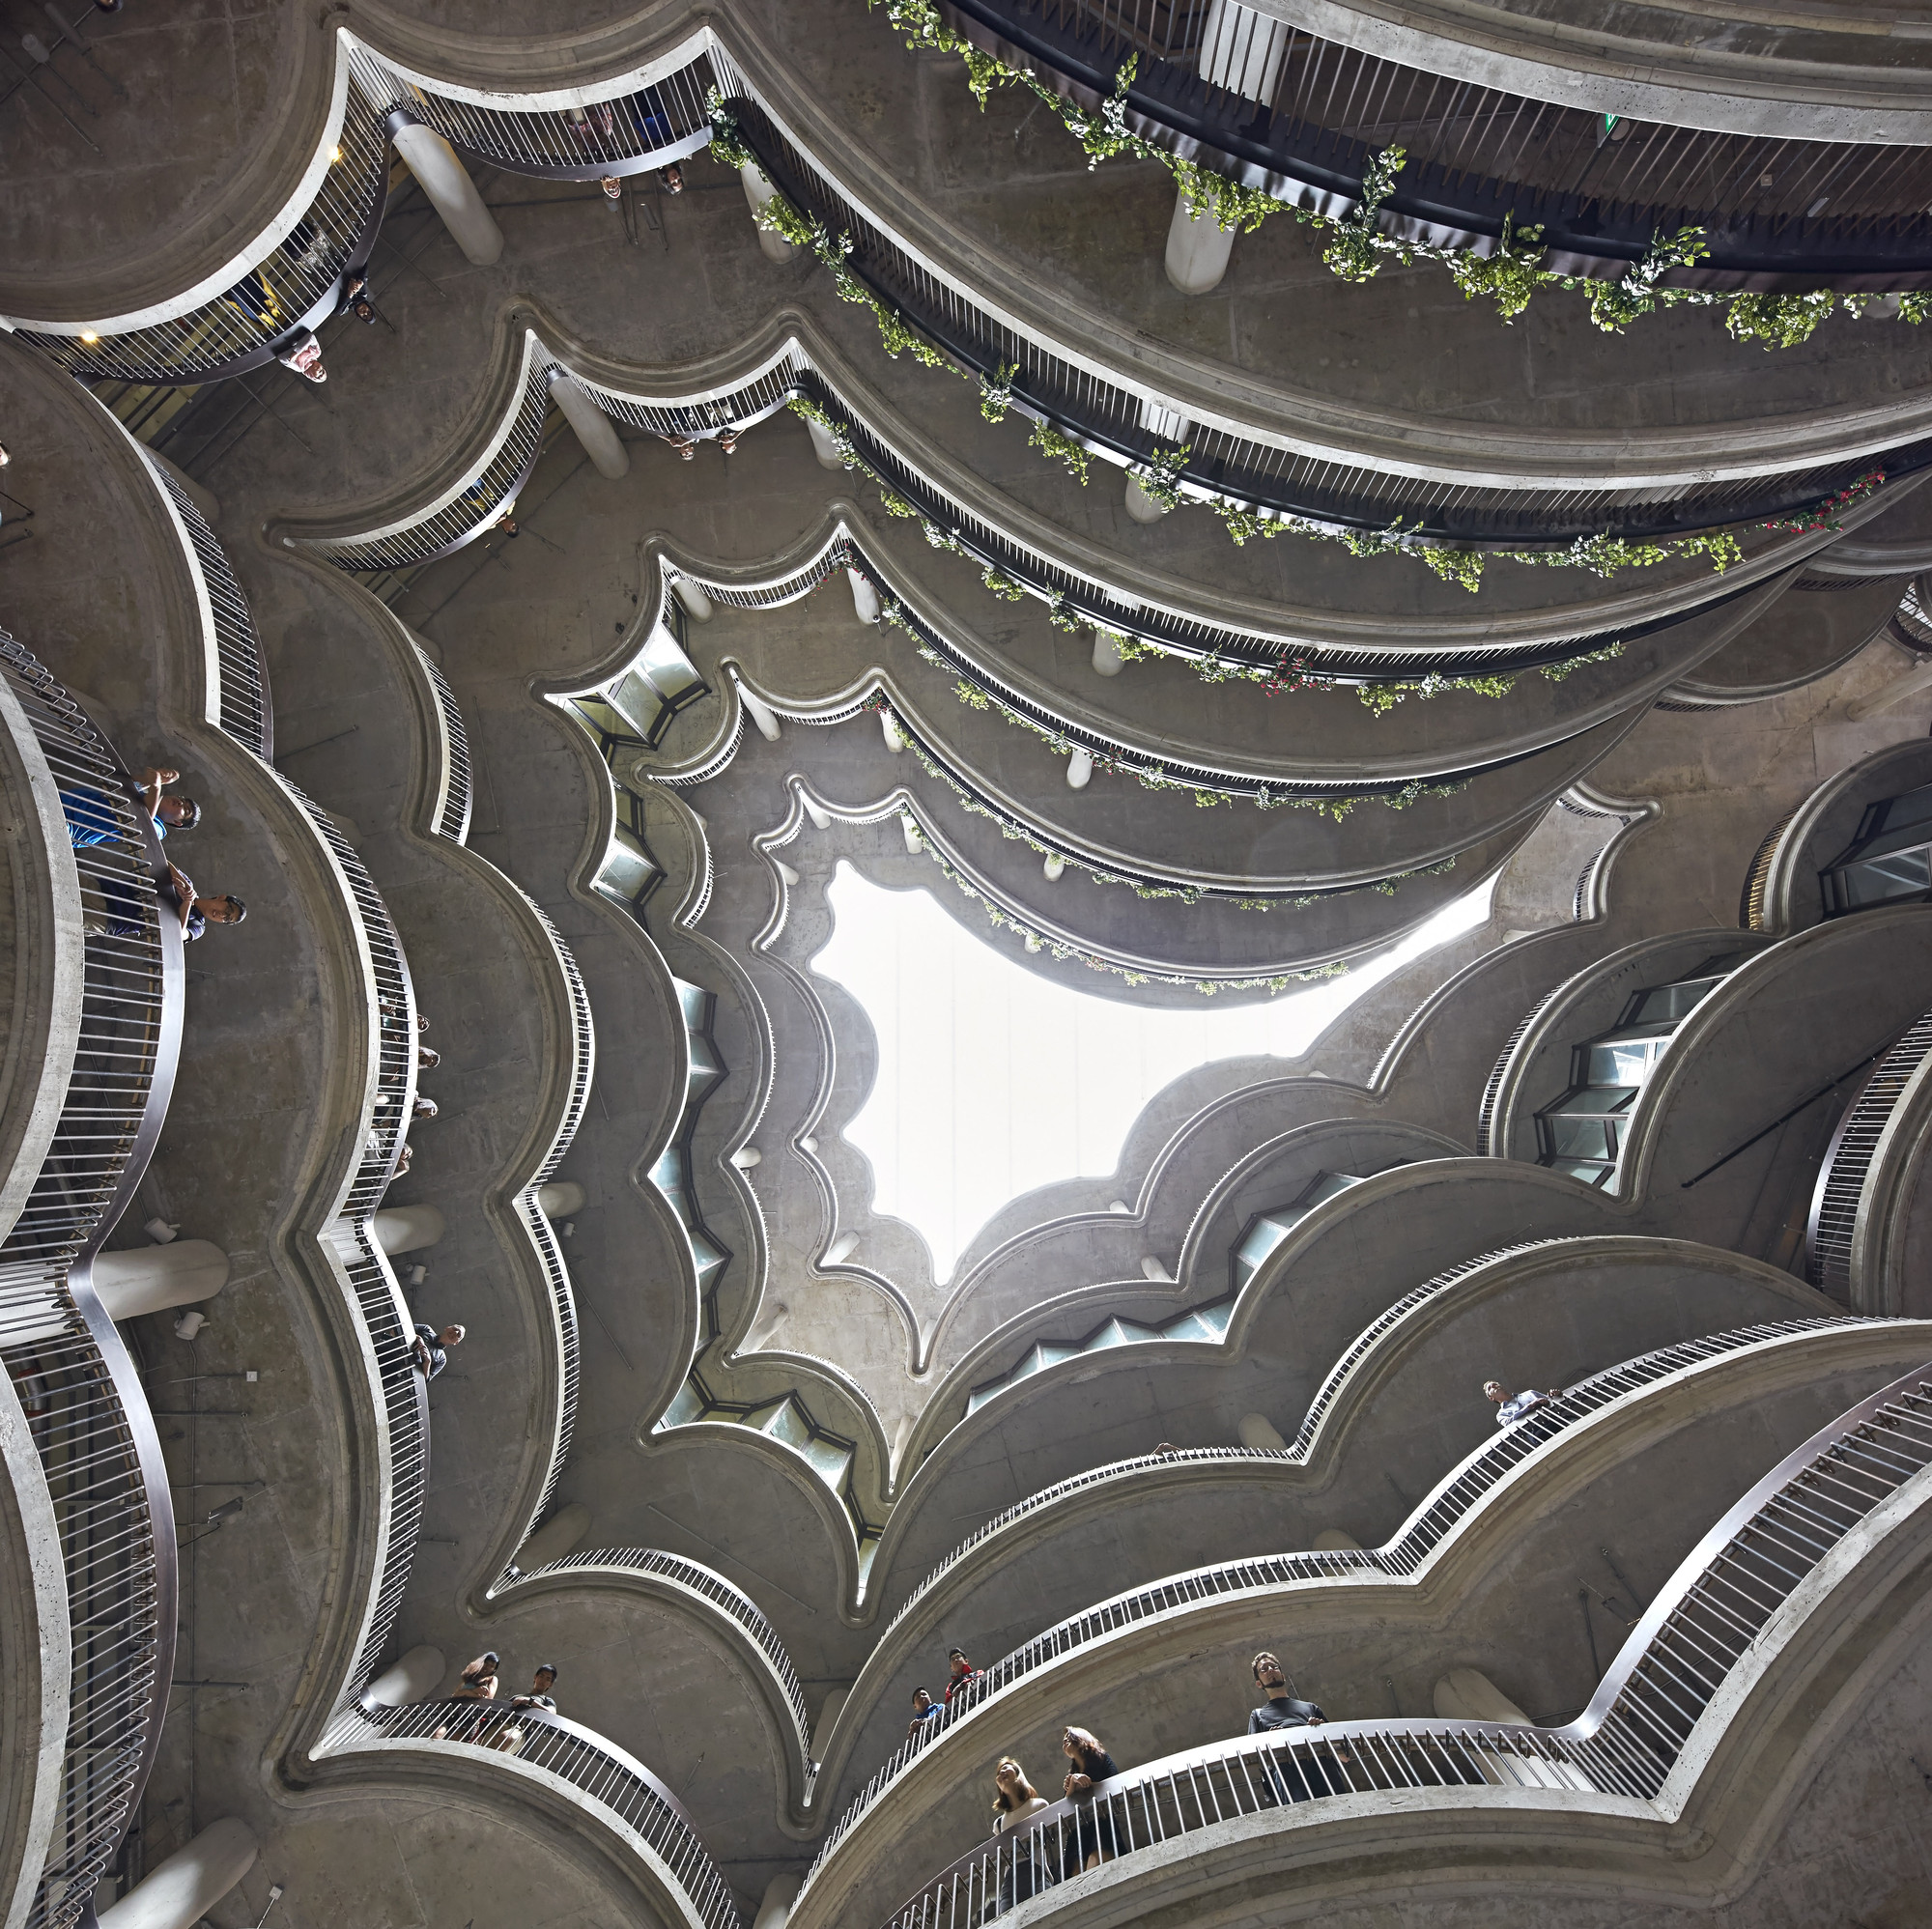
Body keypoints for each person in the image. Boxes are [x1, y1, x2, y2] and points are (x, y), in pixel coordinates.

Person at [1247, 1651, 1335, 1803]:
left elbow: (1342, 1755)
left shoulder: (1311, 1708)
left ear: (1283, 1675)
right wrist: (1271, 1742)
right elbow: (1257, 1759)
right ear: (1259, 1683)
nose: (1270, 1670)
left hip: (1322, 1769)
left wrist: (1319, 1733)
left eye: (1274, 1667)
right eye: (1264, 1669)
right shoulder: (1258, 1715)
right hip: (1288, 1775)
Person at [991, 1757, 1054, 1910]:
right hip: (1010, 1881)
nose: (1002, 1772)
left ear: (1018, 1774)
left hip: (1036, 1871)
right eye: (999, 1772)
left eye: (1007, 1768)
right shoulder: (999, 1824)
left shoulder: (1039, 1805)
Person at [1062, 1727, 1119, 1871]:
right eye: (1064, 1741)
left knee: (1098, 1867)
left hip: (1100, 1822)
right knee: (1076, 1877)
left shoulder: (1102, 1759)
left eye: (1070, 1737)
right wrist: (1073, 1784)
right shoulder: (1071, 1775)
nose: (1065, 1741)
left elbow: (1115, 1783)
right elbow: (1065, 1806)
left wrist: (1087, 1783)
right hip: (1078, 1830)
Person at [434, 1651, 498, 1740]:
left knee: (453, 1743)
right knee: (436, 1735)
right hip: (453, 1712)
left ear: (494, 1670)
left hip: (470, 1717)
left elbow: (488, 1699)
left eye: (491, 1666)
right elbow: (455, 1694)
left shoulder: (491, 1679)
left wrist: (466, 1692)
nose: (487, 1667)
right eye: (486, 1663)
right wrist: (473, 1691)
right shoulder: (470, 1677)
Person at [1485, 1378, 1564, 1426]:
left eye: (1495, 1384)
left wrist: (1555, 1395)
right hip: (1537, 1432)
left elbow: (1549, 1401)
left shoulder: (1530, 1393)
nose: (1493, 1386)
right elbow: (1508, 1424)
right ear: (1491, 1398)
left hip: (1556, 1419)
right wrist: (1531, 1405)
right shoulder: (1501, 1414)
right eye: (1490, 1388)